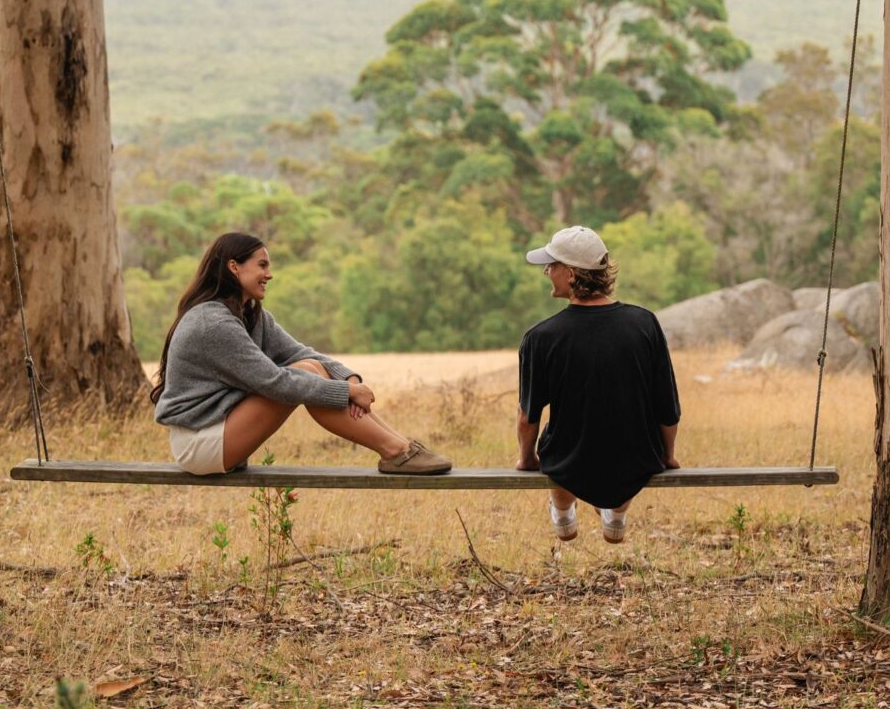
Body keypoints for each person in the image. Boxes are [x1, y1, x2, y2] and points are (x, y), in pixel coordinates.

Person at [151, 232, 452, 476]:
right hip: (198, 443)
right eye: (262, 265)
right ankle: (395, 451)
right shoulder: (214, 324)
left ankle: (400, 447)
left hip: (220, 431)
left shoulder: (250, 315)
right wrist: (346, 390)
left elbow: (301, 352)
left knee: (309, 366)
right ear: (234, 267)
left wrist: (350, 378)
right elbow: (275, 383)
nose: (269, 274)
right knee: (304, 374)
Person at [514, 225, 680, 543]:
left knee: (556, 440)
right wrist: (667, 454)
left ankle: (563, 514)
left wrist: (527, 458)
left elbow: (528, 416)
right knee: (625, 444)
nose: (546, 271)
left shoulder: (541, 337)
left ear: (573, 274)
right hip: (636, 458)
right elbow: (667, 405)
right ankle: (616, 514)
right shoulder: (645, 324)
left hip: (569, 459)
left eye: (552, 265)